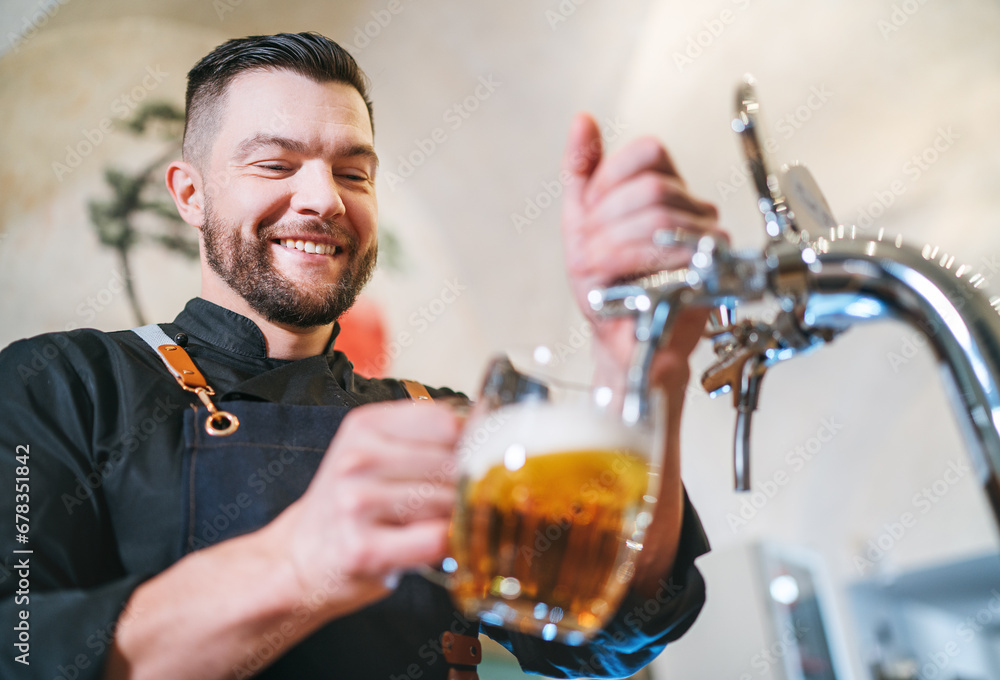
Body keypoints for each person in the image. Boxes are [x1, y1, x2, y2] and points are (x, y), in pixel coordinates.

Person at [0, 32, 723, 679]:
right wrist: (297, 563)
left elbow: (611, 627)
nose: (323, 199)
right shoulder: (59, 386)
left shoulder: (441, 420)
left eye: (354, 174)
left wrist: (645, 363)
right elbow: (20, 644)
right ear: (190, 194)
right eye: (276, 164)